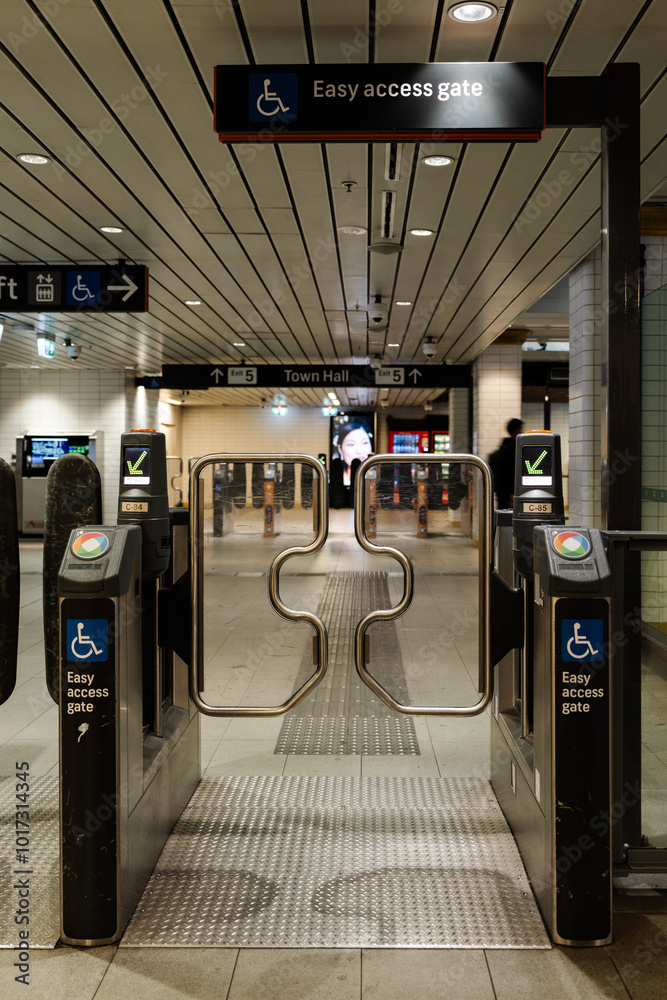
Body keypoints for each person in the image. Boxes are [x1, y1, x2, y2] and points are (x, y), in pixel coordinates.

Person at [488, 418, 523, 508]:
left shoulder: (502, 448)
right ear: (518, 430)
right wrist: (512, 492)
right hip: (511, 492)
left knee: (502, 516)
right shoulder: (515, 449)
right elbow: (512, 471)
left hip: (501, 492)